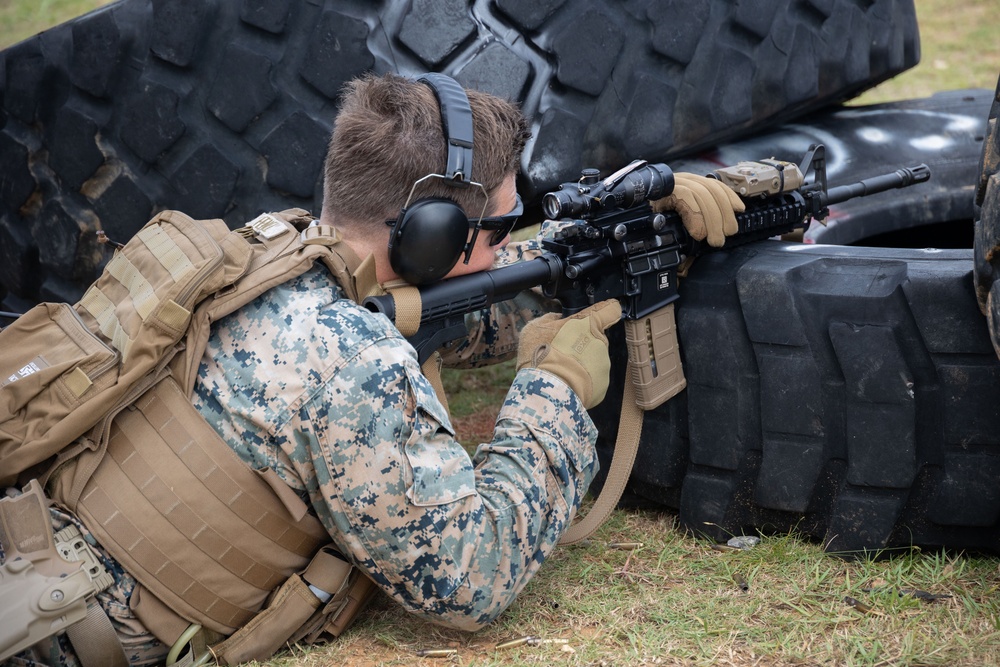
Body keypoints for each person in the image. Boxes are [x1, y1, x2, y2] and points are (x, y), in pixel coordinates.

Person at [2, 71, 741, 667]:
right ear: (429, 234)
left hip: (29, 548)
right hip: (60, 634)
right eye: (501, 228)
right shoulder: (357, 366)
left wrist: (583, 258)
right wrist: (554, 390)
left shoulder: (262, 250)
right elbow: (469, 579)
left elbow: (439, 302)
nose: (510, 240)